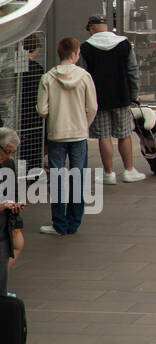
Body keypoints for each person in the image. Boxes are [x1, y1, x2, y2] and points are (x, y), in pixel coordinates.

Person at [35, 37, 96, 237]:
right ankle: (74, 222)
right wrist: (83, 124)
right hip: (78, 133)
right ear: (75, 53)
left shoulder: (48, 77)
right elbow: (92, 107)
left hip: (56, 133)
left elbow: (42, 109)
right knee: (77, 177)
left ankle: (59, 223)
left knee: (58, 177)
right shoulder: (85, 76)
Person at [79, 14, 145, 184]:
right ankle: (129, 170)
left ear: (92, 28)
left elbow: (83, 75)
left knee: (104, 136)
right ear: (105, 27)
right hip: (122, 96)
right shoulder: (124, 44)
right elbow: (133, 71)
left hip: (98, 99)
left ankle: (109, 174)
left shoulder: (85, 48)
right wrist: (133, 94)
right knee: (124, 134)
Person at [0, 128, 24, 295]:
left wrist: (15, 205)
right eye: (7, 152)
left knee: (15, 245)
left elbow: (12, 190)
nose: (9, 156)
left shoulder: (8, 163)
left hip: (3, 222)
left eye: (12, 153)